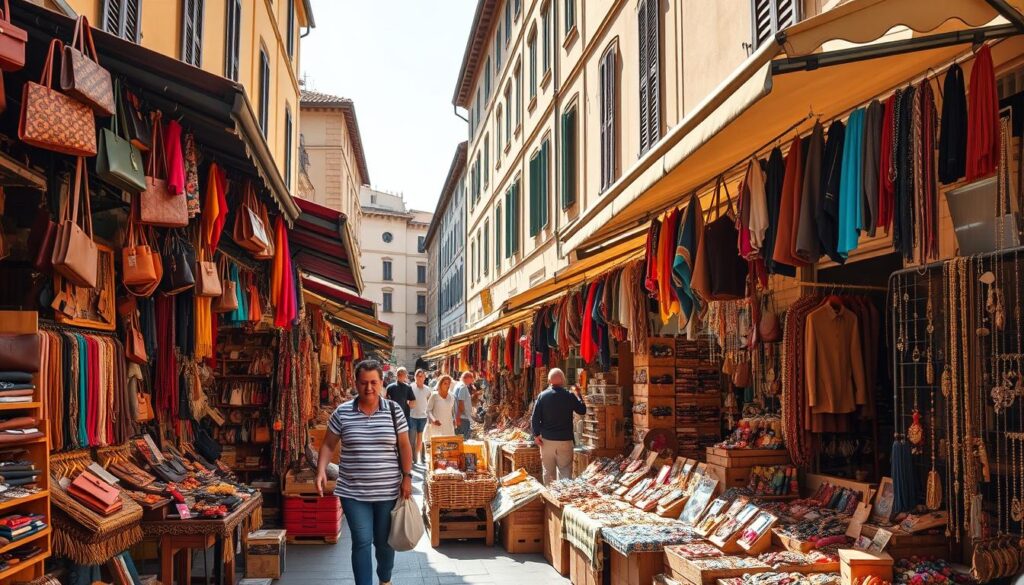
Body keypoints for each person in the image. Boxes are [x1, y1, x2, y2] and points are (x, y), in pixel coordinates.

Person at [316, 360, 414, 585]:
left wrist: (407, 476)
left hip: (388, 492)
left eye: (373, 382)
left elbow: (405, 445)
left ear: (381, 383)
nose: (368, 388)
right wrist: (321, 470)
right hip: (353, 492)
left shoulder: (393, 410)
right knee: (361, 540)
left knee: (383, 543)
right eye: (363, 383)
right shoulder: (342, 413)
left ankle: (385, 579)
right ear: (355, 383)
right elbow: (328, 445)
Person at [531, 368, 587, 485]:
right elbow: (582, 410)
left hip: (546, 440)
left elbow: (535, 418)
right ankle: (563, 499)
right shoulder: (569, 396)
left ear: (549, 380)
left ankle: (549, 501)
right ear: (562, 380)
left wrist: (536, 435)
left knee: (548, 472)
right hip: (564, 440)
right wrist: (579, 395)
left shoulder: (542, 396)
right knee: (565, 471)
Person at [409, 369, 432, 465]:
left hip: (423, 417)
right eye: (418, 376)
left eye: (422, 376)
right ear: (415, 377)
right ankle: (414, 459)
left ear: (424, 377)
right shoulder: (411, 387)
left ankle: (422, 458)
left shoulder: (427, 389)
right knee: (412, 439)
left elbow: (429, 402)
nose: (420, 378)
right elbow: (408, 400)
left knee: (422, 438)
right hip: (412, 416)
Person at [426, 375, 456, 442]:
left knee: (449, 446)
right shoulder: (434, 395)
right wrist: (433, 420)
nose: (447, 385)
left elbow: (452, 411)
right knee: (438, 447)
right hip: (437, 426)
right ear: (440, 384)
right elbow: (428, 410)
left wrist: (454, 420)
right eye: (445, 383)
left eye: (448, 383)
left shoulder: (451, 397)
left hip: (448, 426)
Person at [453, 371, 476, 440]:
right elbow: (461, 403)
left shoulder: (458, 385)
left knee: (459, 439)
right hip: (463, 418)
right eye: (472, 379)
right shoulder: (463, 387)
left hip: (460, 417)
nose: (472, 381)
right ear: (467, 378)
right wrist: (458, 418)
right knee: (464, 440)